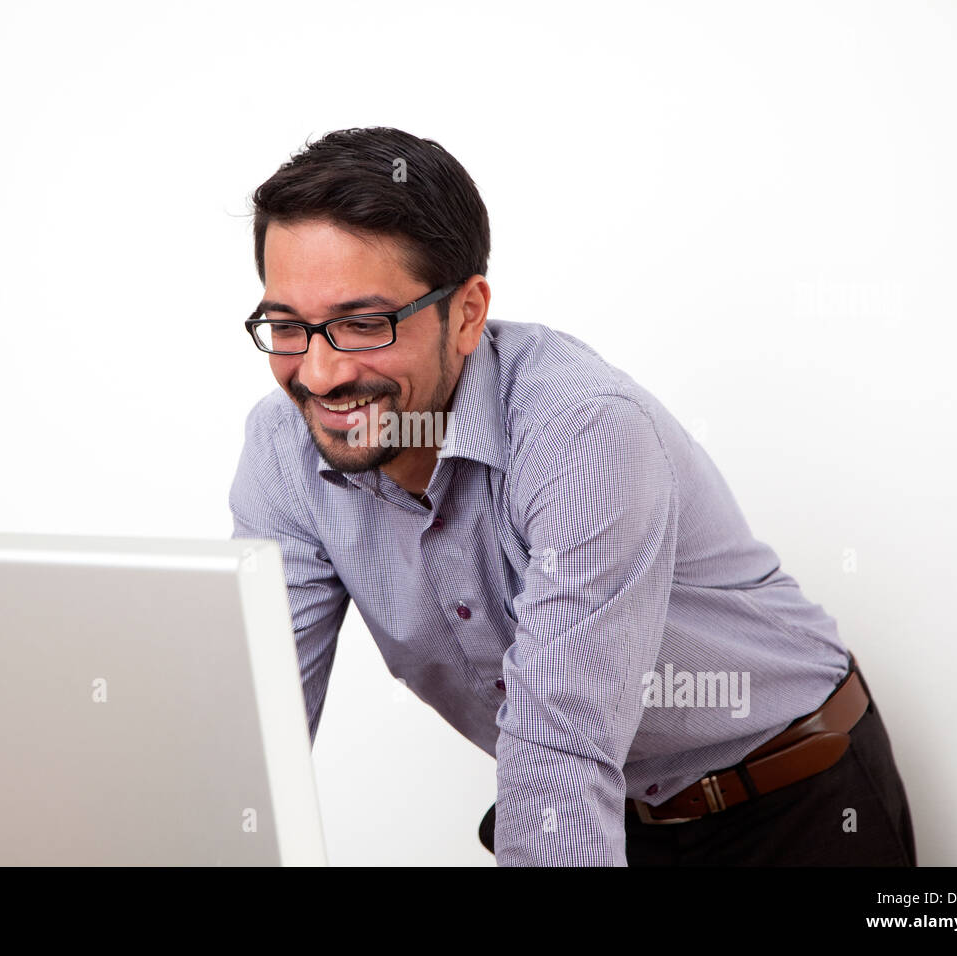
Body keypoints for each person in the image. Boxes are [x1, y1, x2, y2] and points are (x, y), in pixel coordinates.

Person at [229, 126, 916, 866]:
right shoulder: (283, 448)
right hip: (616, 813)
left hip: (789, 800)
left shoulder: (581, 433)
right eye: (289, 327)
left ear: (466, 314)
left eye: (364, 324)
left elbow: (559, 745)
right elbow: (254, 733)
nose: (321, 374)